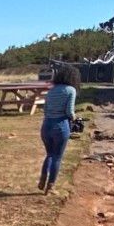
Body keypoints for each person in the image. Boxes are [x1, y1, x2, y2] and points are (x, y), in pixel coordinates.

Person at [38, 63, 77, 192]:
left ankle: (43, 179)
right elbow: (69, 111)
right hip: (60, 125)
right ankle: (51, 185)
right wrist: (75, 119)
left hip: (46, 125)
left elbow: (45, 109)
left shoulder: (51, 90)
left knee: (49, 154)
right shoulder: (70, 90)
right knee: (57, 157)